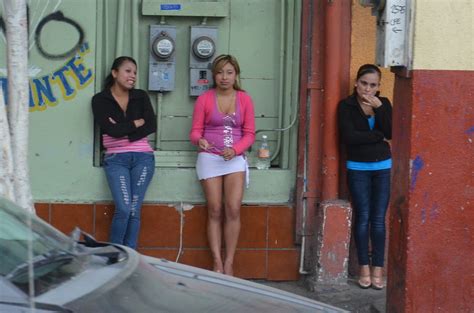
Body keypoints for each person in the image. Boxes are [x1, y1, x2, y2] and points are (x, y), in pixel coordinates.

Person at [189, 54, 256, 276]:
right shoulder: (205, 99)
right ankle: (217, 262)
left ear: (236, 74)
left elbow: (249, 134)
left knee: (233, 208)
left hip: (234, 160)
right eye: (219, 72)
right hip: (209, 158)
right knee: (215, 209)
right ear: (213, 75)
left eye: (229, 72)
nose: (224, 77)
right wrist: (199, 140)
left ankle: (229, 262)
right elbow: (195, 131)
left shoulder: (244, 99)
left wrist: (236, 149)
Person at [92, 56, 156, 249]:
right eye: (128, 71)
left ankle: (130, 255)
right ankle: (114, 256)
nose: (133, 76)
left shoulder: (141, 96)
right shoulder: (100, 100)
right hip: (116, 159)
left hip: (143, 158)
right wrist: (136, 123)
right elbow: (111, 131)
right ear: (114, 73)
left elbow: (151, 124)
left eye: (135, 72)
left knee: (135, 210)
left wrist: (122, 130)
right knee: (124, 209)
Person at [337, 64, 392, 290]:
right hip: (358, 167)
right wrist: (376, 136)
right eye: (364, 84)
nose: (368, 89)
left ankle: (378, 268)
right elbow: (349, 138)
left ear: (378, 87)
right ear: (356, 83)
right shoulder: (346, 106)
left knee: (378, 219)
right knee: (363, 217)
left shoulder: (384, 104)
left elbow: (390, 132)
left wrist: (379, 110)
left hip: (383, 167)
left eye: (373, 85)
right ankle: (364, 267)